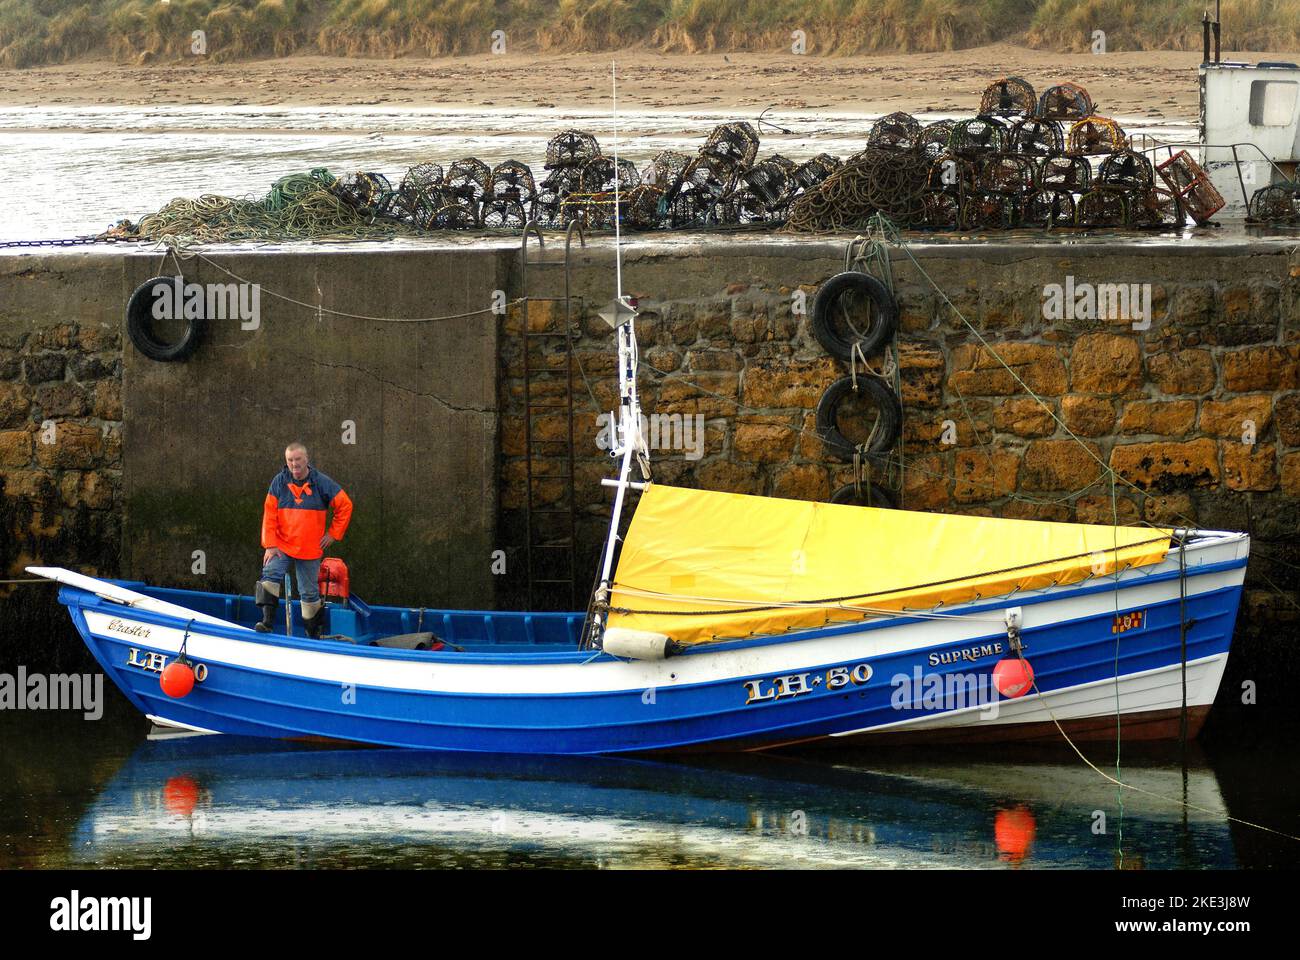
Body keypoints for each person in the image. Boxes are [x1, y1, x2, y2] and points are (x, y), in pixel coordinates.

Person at [254, 442, 353, 638]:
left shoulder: (322, 482)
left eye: (298, 459)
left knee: (309, 594)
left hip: (309, 548)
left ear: (306, 459)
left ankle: (312, 636)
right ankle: (267, 623)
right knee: (270, 574)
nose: (294, 464)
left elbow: (345, 505)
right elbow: (269, 513)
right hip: (281, 545)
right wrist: (270, 544)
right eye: (290, 460)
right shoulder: (279, 482)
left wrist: (333, 534)